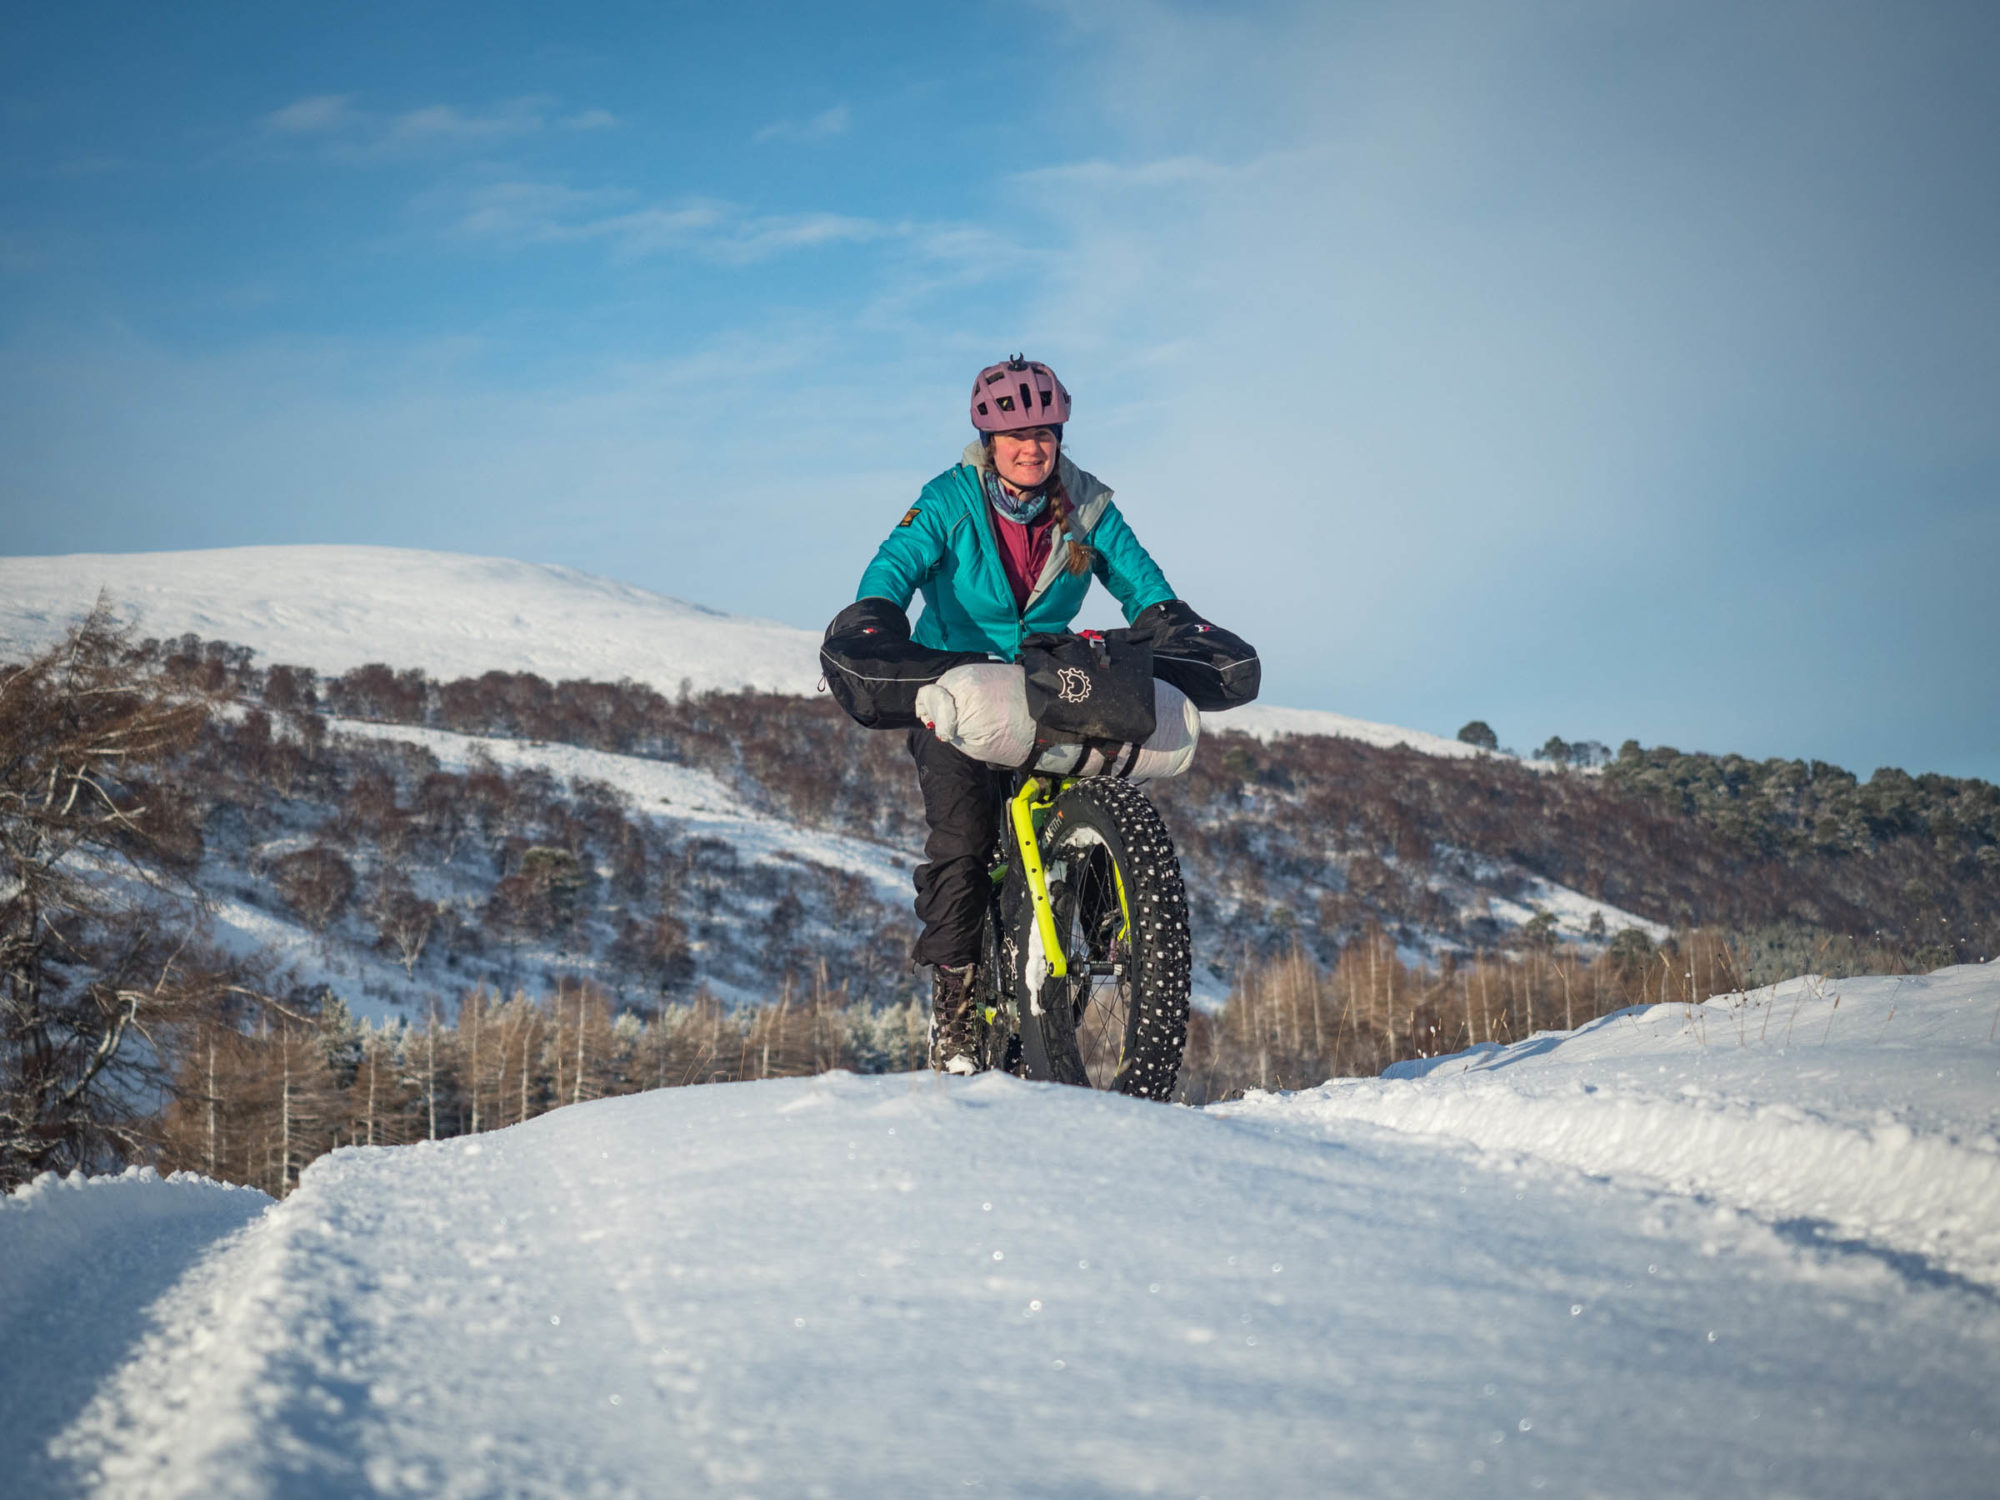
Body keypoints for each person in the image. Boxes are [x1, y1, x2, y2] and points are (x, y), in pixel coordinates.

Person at [846, 356, 1180, 1074]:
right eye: (1018, 435)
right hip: (956, 693)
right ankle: (958, 1015)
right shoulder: (948, 499)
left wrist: (1169, 620)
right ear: (989, 440)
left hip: (1047, 686)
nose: (1034, 449)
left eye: (1047, 435)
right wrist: (875, 616)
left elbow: (1138, 578)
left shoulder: (1086, 507)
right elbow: (895, 564)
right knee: (963, 845)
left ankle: (1089, 956)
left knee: (1098, 797)